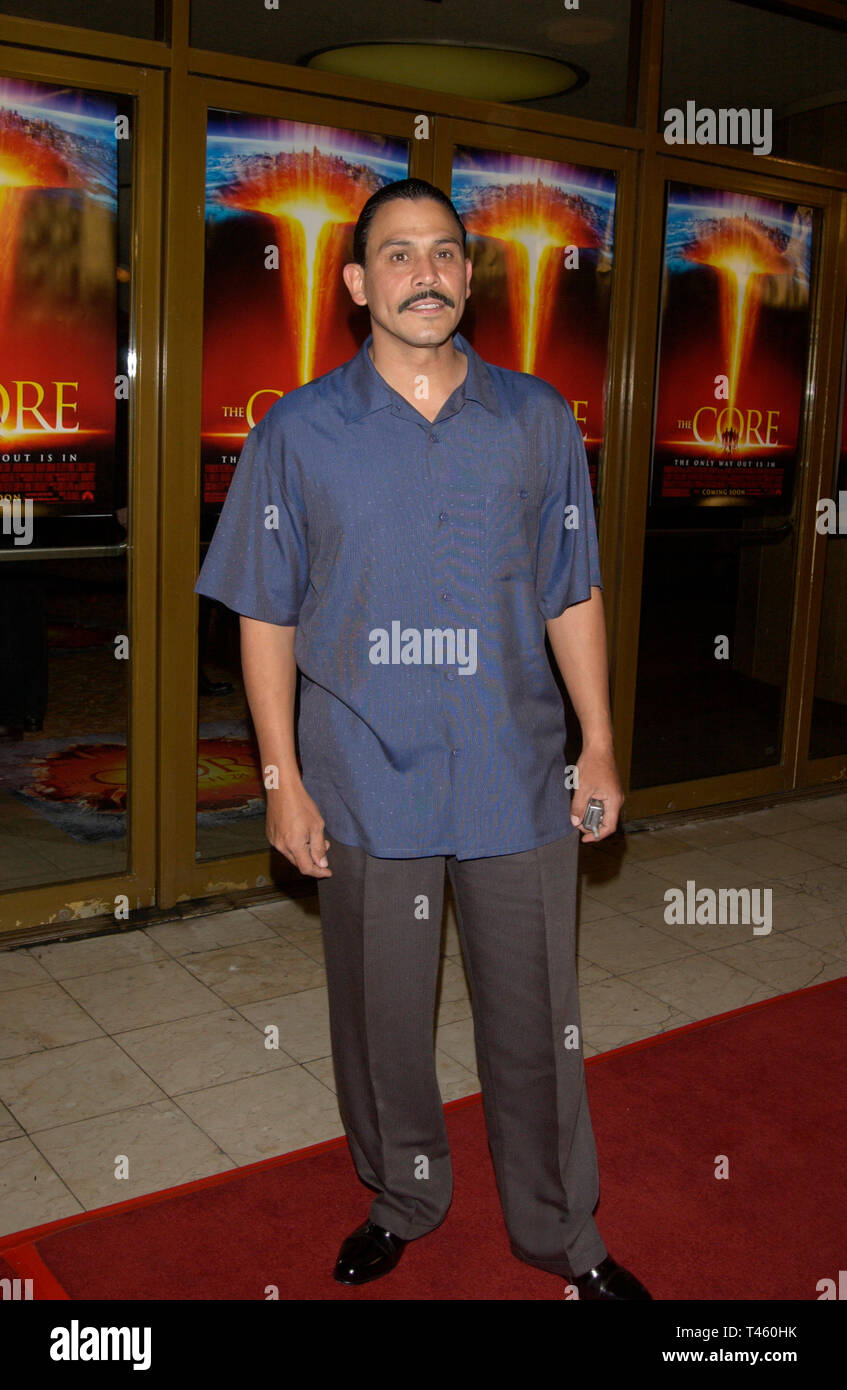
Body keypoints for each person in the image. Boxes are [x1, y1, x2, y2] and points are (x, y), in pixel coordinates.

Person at [195, 177, 651, 1300]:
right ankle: (402, 1196)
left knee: (539, 1020)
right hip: (360, 781)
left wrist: (597, 740)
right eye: (397, 255)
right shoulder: (296, 432)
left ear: (467, 274)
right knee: (379, 1019)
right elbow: (265, 612)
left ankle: (560, 1231)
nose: (425, 273)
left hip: (514, 772)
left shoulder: (538, 419)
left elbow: (570, 592)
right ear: (356, 284)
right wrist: (280, 779)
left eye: (444, 253)